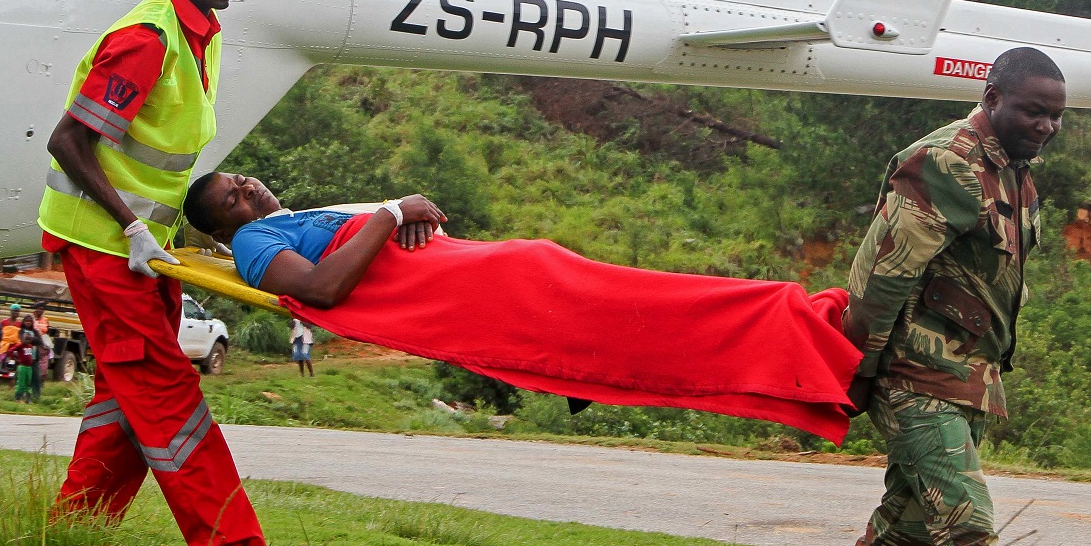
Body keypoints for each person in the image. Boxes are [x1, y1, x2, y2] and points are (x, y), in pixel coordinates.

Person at [760, 47, 1067, 546]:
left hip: (966, 376)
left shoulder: (1017, 178)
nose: (1045, 125)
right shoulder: (944, 163)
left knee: (908, 529)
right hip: (911, 372)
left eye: (1055, 115)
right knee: (966, 519)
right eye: (1031, 109)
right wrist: (854, 372)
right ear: (992, 98)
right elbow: (880, 276)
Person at [38, 0, 310, 546]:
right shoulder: (147, 39)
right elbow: (70, 140)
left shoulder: (202, 37)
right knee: (165, 392)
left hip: (142, 254)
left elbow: (161, 156)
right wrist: (130, 226)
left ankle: (70, 541)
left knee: (127, 406)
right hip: (104, 247)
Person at [182, 177, 861, 438]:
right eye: (233, 197)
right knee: (637, 302)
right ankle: (791, 326)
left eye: (243, 180)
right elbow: (324, 287)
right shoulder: (253, 241)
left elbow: (372, 237)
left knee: (637, 298)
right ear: (224, 225)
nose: (250, 190)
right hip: (476, 287)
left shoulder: (293, 214)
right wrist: (392, 212)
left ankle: (788, 321)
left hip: (470, 267)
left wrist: (405, 217)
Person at [11, 319, 41, 403]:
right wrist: (15, 358)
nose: (28, 323)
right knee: (21, 381)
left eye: (30, 321)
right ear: (23, 322)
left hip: (33, 359)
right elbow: (13, 349)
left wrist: (32, 339)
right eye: (27, 321)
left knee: (35, 379)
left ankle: (34, 397)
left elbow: (39, 341)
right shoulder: (21, 332)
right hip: (23, 363)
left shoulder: (35, 331)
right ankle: (18, 397)